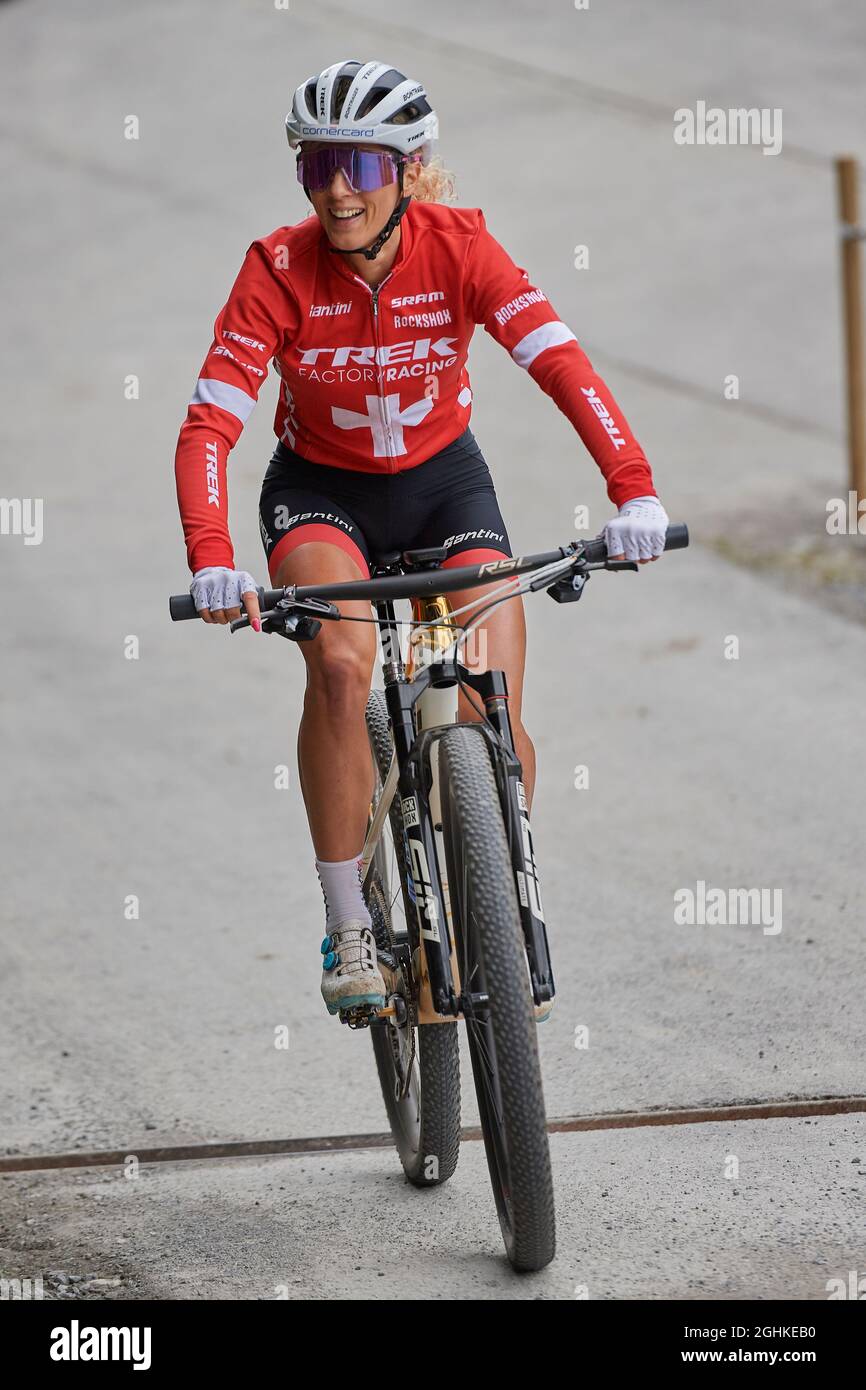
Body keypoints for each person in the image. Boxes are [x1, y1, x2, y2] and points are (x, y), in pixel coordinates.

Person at [174, 59, 669, 1018]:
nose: (336, 188)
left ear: (407, 168)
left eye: (358, 162)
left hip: (447, 489)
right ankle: (350, 917)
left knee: (493, 700)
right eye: (317, 164)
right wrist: (210, 557)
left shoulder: (462, 247)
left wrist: (635, 492)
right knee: (343, 664)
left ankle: (501, 882)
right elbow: (209, 426)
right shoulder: (277, 269)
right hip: (322, 496)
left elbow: (562, 364)